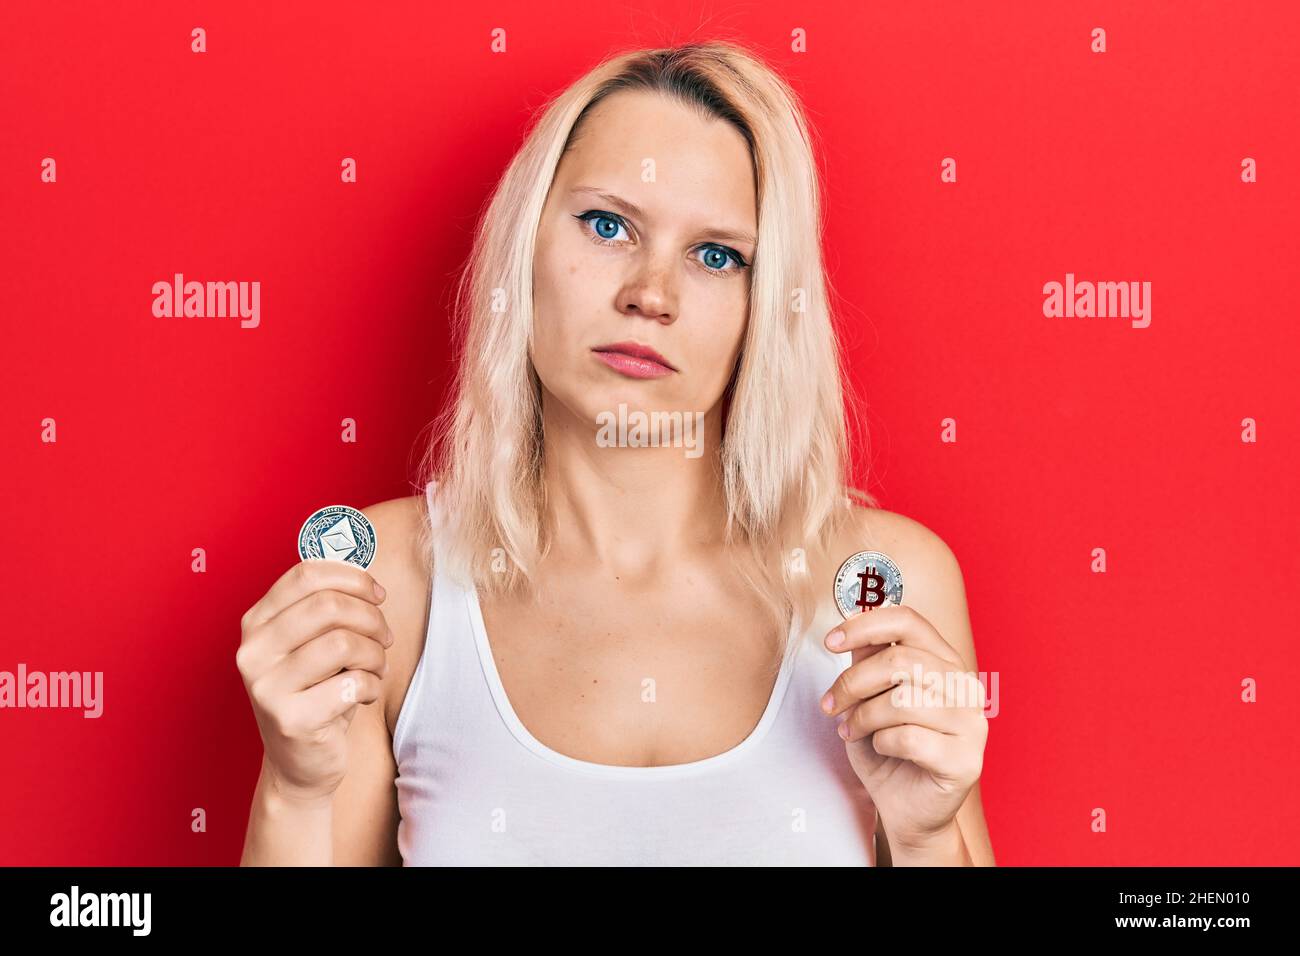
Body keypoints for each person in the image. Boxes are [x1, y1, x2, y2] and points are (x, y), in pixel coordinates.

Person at [238, 40, 994, 866]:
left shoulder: (885, 589)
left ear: (765, 303)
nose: (651, 293)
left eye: (716, 256)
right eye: (608, 225)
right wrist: (293, 787)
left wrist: (926, 837)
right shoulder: (390, 583)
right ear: (523, 246)